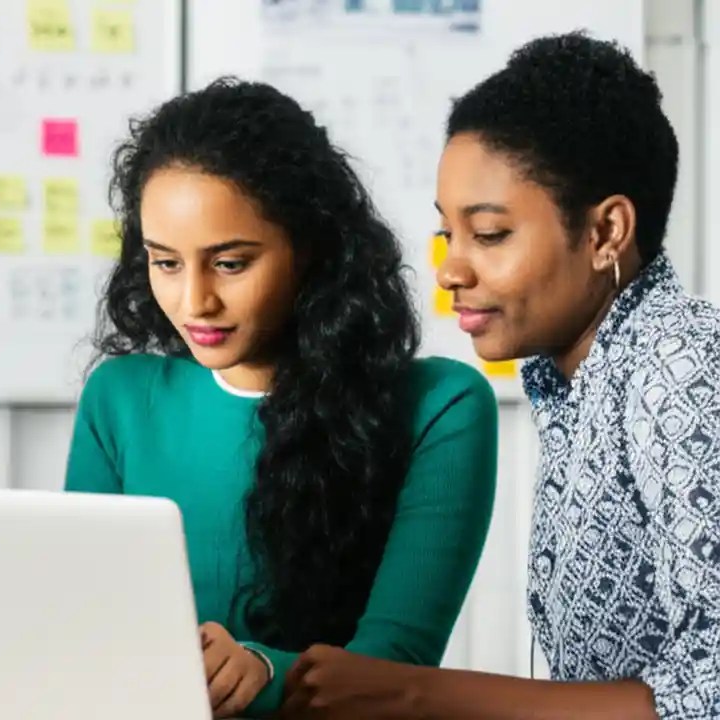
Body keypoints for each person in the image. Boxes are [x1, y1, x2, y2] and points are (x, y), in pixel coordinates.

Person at [279, 32, 719, 720]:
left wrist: (414, 691)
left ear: (607, 231)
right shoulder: (571, 377)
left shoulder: (680, 367)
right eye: (448, 235)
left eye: (488, 235)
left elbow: (712, 686)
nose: (451, 269)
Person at [64, 77, 499, 718]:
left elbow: (396, 665)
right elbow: (84, 630)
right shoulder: (119, 400)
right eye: (165, 262)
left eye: (231, 263)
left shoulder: (441, 405)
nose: (195, 301)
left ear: (312, 248)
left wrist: (265, 670)